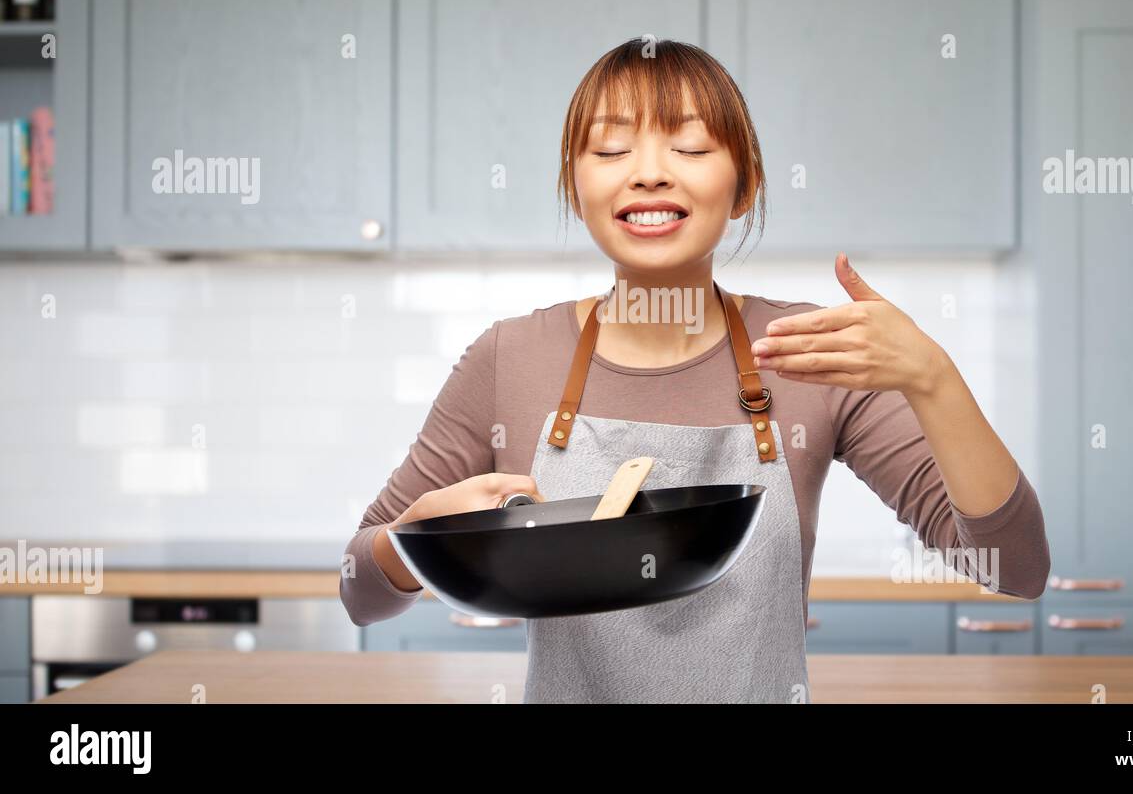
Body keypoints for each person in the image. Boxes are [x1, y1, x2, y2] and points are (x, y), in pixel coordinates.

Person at [340, 37, 1050, 703]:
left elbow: (1016, 569)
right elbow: (359, 593)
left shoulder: (810, 351)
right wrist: (417, 537)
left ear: (744, 186)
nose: (649, 171)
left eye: (689, 144)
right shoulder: (512, 356)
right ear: (575, 185)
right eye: (612, 147)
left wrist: (934, 379)